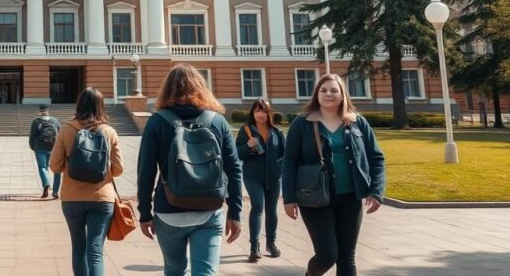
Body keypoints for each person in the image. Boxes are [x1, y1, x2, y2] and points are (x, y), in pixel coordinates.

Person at [136, 64, 243, 276]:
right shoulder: (217, 121)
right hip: (209, 209)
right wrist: (235, 212)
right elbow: (234, 169)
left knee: (175, 271)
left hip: (168, 210)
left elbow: (145, 171)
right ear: (201, 87)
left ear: (166, 89)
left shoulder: (157, 122)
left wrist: (145, 213)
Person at [283, 73, 385, 276]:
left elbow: (376, 158)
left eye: (333, 90)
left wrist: (376, 191)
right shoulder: (302, 124)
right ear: (316, 94)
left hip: (350, 198)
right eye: (323, 90)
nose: (328, 94)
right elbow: (289, 162)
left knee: (347, 257)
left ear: (342, 95)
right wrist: (289, 198)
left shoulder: (357, 123)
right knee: (327, 255)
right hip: (315, 198)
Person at [50, 87, 124, 276]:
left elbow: (54, 166)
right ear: (101, 106)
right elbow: (118, 170)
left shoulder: (67, 129)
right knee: (95, 250)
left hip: (72, 198)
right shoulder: (109, 132)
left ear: (79, 104)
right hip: (102, 199)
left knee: (78, 247)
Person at [235, 99, 286, 263]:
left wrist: (279, 169)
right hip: (252, 176)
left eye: (264, 111)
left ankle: (271, 244)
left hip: (273, 177)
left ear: (269, 113)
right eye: (258, 111)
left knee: (272, 210)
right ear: (253, 113)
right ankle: (254, 247)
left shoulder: (277, 132)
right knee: (257, 206)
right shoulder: (246, 130)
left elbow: (286, 156)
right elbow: (237, 153)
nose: (261, 114)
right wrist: (248, 147)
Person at [28, 103, 62, 199]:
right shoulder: (55, 120)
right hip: (54, 147)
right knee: (57, 169)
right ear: (48, 112)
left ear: (39, 112)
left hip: (40, 147)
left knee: (42, 167)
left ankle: (46, 183)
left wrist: (33, 147)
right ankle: (55, 191)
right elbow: (60, 134)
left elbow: (32, 136)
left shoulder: (36, 122)